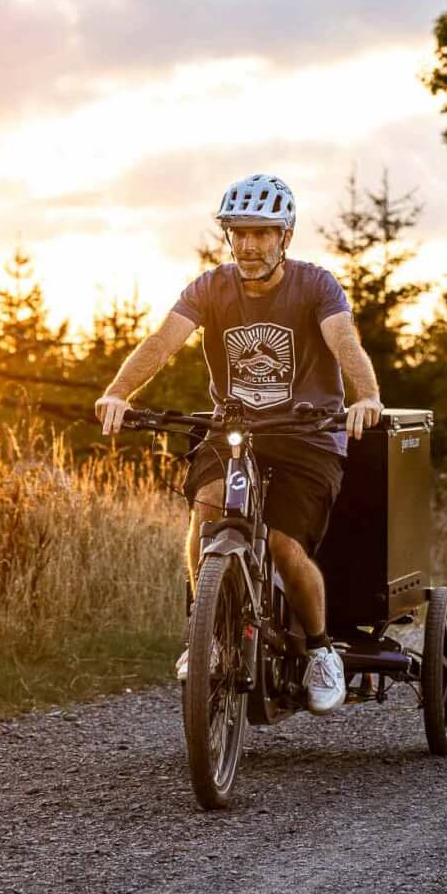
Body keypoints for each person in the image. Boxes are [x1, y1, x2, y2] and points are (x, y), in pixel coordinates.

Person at [94, 173, 383, 715]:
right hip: (234, 429)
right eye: (239, 233)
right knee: (206, 518)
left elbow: (345, 342)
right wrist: (118, 392)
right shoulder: (210, 288)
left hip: (307, 434)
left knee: (280, 544)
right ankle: (205, 634)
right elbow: (163, 341)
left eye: (262, 233)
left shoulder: (316, 285)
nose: (249, 245)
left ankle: (320, 650)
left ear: (285, 236)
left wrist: (366, 396)